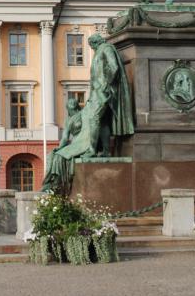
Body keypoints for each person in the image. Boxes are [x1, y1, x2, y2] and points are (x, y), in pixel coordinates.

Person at [42, 34, 134, 193]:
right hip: (97, 93)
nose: (91, 47)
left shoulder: (106, 49)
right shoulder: (101, 51)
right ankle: (105, 150)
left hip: (103, 91)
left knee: (94, 118)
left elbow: (114, 67)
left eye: (91, 44)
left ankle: (91, 149)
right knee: (103, 120)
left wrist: (106, 85)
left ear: (96, 42)